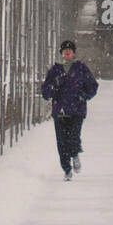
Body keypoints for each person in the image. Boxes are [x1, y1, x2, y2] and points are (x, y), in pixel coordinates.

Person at [40, 39, 99, 181]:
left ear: (73, 53)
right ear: (61, 53)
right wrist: (54, 86)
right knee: (61, 142)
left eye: (70, 50)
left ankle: (75, 154)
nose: (67, 52)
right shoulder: (55, 70)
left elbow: (93, 86)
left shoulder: (80, 68)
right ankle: (66, 169)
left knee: (73, 136)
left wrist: (83, 96)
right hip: (60, 111)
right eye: (65, 50)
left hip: (76, 110)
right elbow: (45, 92)